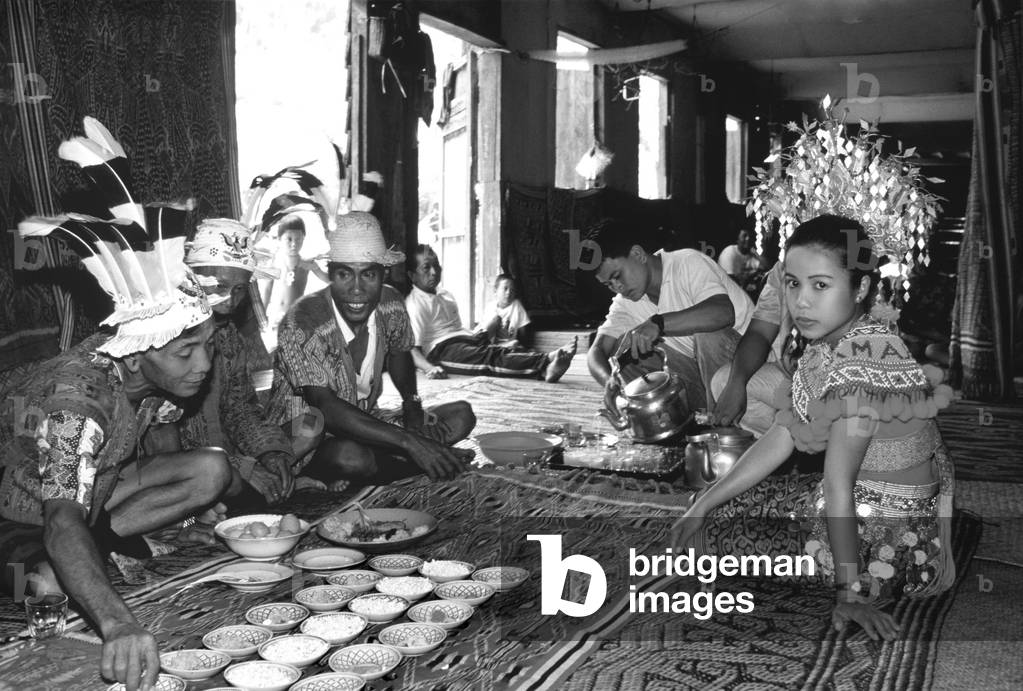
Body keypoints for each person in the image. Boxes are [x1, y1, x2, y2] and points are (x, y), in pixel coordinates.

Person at [0, 115, 232, 691]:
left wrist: (202, 510)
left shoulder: (151, 378)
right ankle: (83, 561)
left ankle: (99, 549)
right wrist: (119, 624)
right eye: (186, 352)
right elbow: (59, 518)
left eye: (206, 346)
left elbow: (149, 452)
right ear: (135, 355)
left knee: (212, 469)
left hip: (93, 488)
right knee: (50, 589)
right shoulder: (77, 403)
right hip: (19, 512)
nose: (202, 365)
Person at [673, 215, 956, 641]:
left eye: (820, 286)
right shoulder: (831, 346)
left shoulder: (863, 362)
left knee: (714, 542)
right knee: (712, 504)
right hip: (860, 503)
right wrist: (704, 503)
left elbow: (837, 482)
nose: (801, 301)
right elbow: (782, 436)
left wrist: (850, 593)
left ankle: (856, 576)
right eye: (792, 284)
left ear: (860, 289)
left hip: (885, 539)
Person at [267, 212, 476, 488]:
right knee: (349, 455)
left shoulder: (390, 302)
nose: (357, 289)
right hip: (303, 433)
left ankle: (395, 460)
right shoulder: (303, 322)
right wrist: (410, 441)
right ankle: (408, 463)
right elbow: (325, 407)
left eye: (368, 274)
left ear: (383, 274)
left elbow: (401, 351)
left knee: (461, 415)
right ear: (331, 274)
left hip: (364, 421)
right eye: (344, 274)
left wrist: (412, 403)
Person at [181, 218, 297, 507]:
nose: (230, 300)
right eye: (219, 286)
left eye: (239, 289)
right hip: (174, 464)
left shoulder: (230, 337)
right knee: (224, 498)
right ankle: (189, 521)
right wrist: (242, 468)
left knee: (311, 425)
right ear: (192, 278)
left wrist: (269, 452)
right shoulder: (169, 340)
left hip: (222, 456)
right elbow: (171, 434)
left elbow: (240, 406)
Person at [586, 219, 754, 413]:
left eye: (617, 276)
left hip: (746, 369)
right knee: (624, 351)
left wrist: (658, 323)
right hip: (701, 380)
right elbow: (597, 350)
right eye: (609, 284)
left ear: (637, 254)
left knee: (708, 334)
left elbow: (723, 313)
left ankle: (724, 426)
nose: (618, 287)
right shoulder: (626, 302)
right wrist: (610, 381)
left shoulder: (686, 262)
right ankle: (676, 421)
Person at [406, 245, 576, 382]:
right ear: (412, 275)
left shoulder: (445, 294)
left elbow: (458, 329)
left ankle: (546, 358)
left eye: (436, 266)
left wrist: (478, 336)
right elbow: (412, 349)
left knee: (501, 348)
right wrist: (430, 368)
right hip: (442, 351)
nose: (434, 272)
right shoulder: (415, 304)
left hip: (466, 338)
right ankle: (544, 368)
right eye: (426, 268)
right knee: (489, 358)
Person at [709, 258, 793, 436]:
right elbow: (760, 332)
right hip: (794, 376)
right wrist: (736, 384)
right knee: (724, 382)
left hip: (843, 383)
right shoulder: (784, 267)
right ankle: (787, 449)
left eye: (820, 285)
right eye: (794, 284)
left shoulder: (850, 259)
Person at [263, 214, 329, 329]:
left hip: (296, 319)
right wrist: (262, 314)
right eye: (289, 239)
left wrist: (316, 268)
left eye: (298, 239)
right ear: (279, 239)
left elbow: (328, 280)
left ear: (304, 237)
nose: (294, 244)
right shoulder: (274, 263)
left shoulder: (307, 264)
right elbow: (267, 289)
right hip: (276, 318)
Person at [475, 274, 533, 348]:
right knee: (496, 319)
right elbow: (484, 328)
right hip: (488, 343)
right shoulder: (490, 307)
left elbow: (523, 332)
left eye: (512, 290)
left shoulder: (516, 306)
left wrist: (524, 346)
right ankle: (481, 345)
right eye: (505, 289)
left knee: (515, 343)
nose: (508, 292)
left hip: (506, 346)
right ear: (495, 291)